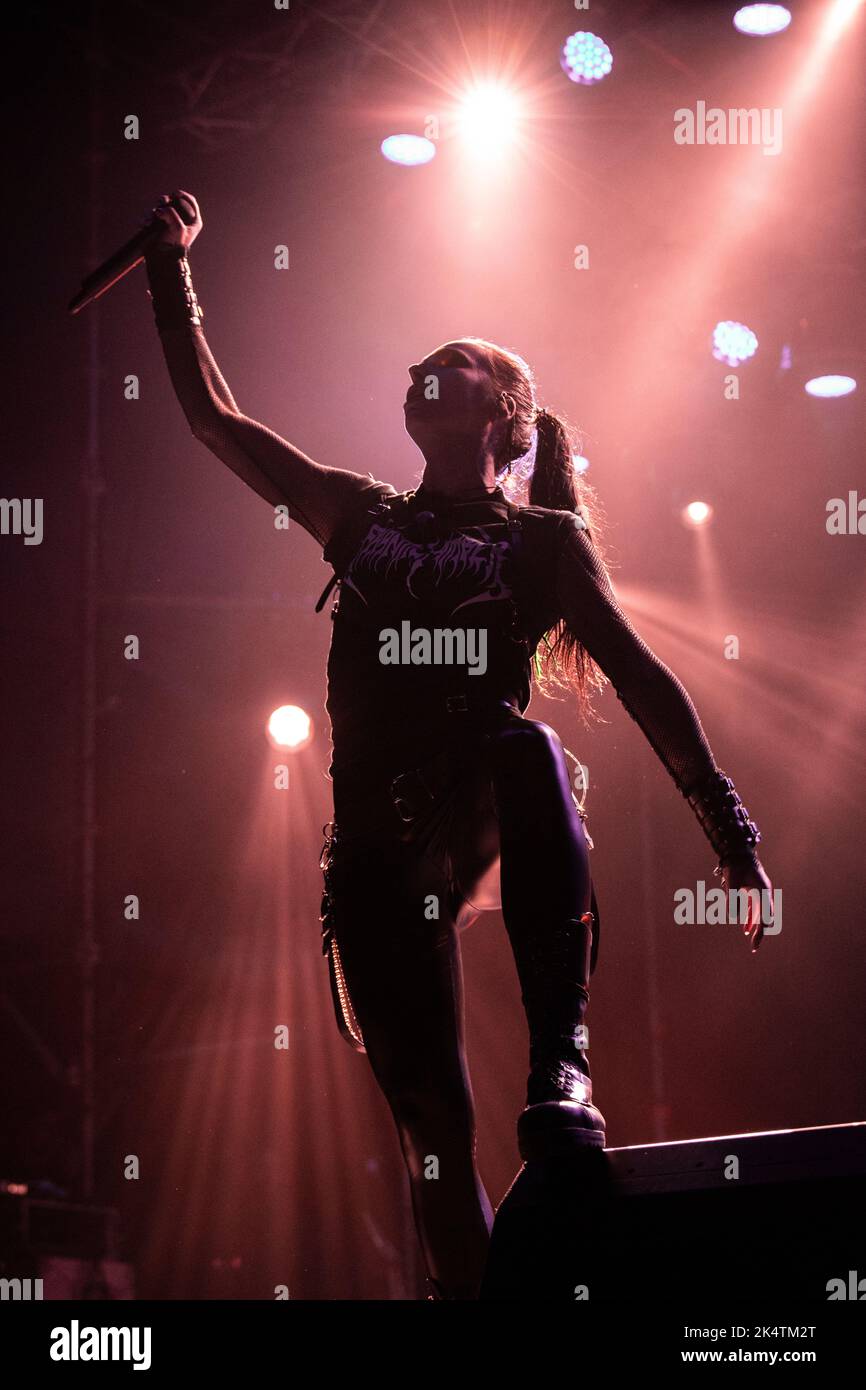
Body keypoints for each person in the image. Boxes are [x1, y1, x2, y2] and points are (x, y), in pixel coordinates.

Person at [142, 189, 773, 1301]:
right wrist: (169, 267)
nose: (429, 364)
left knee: (521, 750)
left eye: (462, 361)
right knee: (432, 1134)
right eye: (422, 359)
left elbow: (641, 677)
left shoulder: (540, 542)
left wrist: (727, 830)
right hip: (374, 860)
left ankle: (559, 1067)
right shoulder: (354, 511)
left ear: (506, 417)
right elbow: (211, 418)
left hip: (473, 806)